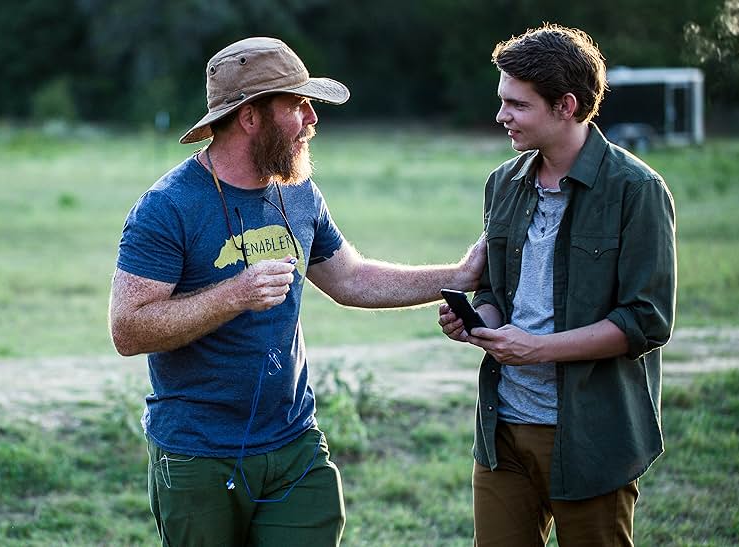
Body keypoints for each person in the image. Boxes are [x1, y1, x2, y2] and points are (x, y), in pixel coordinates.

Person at [108, 36, 484, 547]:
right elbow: (128, 329)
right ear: (250, 117)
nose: (312, 119)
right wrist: (234, 294)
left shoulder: (298, 191)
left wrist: (458, 276)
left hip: (293, 444)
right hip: (198, 453)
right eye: (297, 104)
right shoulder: (167, 207)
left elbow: (351, 279)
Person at [438, 24, 676, 546]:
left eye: (517, 105)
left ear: (566, 105)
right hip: (502, 432)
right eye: (503, 102)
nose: (502, 115)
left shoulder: (637, 191)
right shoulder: (502, 183)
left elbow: (646, 321)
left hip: (591, 437)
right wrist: (483, 324)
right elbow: (496, 293)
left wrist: (538, 348)